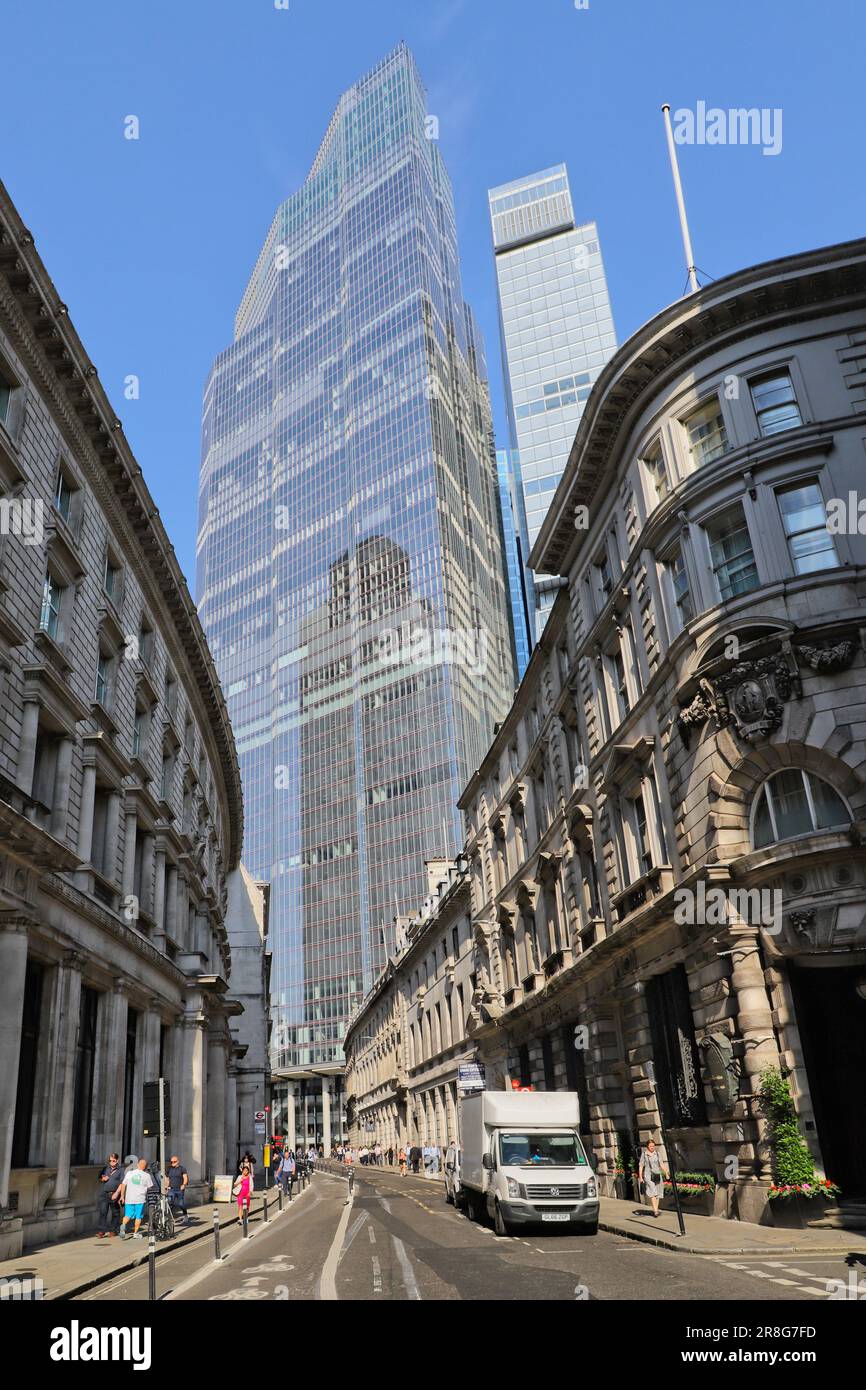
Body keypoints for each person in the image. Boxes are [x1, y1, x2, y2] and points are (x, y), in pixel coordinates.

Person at [119, 1159, 155, 1240]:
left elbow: (123, 1184)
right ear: (145, 1167)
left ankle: (123, 1226)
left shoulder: (129, 1173)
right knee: (138, 1217)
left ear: (138, 1165)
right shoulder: (147, 1175)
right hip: (140, 1199)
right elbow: (150, 1187)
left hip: (129, 1198)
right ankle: (135, 1233)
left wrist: (122, 1196)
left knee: (127, 1215)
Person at [96, 1153, 124, 1237]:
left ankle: (114, 1230)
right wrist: (103, 1178)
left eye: (113, 1160)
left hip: (114, 1194)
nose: (111, 1162)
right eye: (110, 1160)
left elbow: (122, 1183)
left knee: (115, 1213)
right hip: (104, 1194)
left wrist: (117, 1193)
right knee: (103, 1212)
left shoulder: (121, 1170)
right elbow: (99, 1177)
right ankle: (101, 1231)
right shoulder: (105, 1168)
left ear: (117, 1160)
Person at [639, 1139, 666, 1218]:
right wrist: (641, 1177)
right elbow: (641, 1166)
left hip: (657, 1174)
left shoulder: (657, 1154)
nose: (652, 1147)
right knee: (653, 1191)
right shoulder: (644, 1154)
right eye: (651, 1146)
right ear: (647, 1146)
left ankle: (656, 1209)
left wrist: (666, 1172)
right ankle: (655, 1211)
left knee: (658, 1192)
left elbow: (661, 1164)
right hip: (648, 1175)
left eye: (653, 1146)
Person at [165, 1155, 190, 1226]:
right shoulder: (169, 1169)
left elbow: (185, 1177)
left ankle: (185, 1215)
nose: (173, 1163)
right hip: (171, 1189)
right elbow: (167, 1178)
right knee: (170, 1202)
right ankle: (170, 1218)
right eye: (171, 1162)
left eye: (174, 1161)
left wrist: (184, 1185)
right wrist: (166, 1186)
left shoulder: (182, 1168)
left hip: (179, 1189)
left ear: (178, 1161)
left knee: (181, 1203)